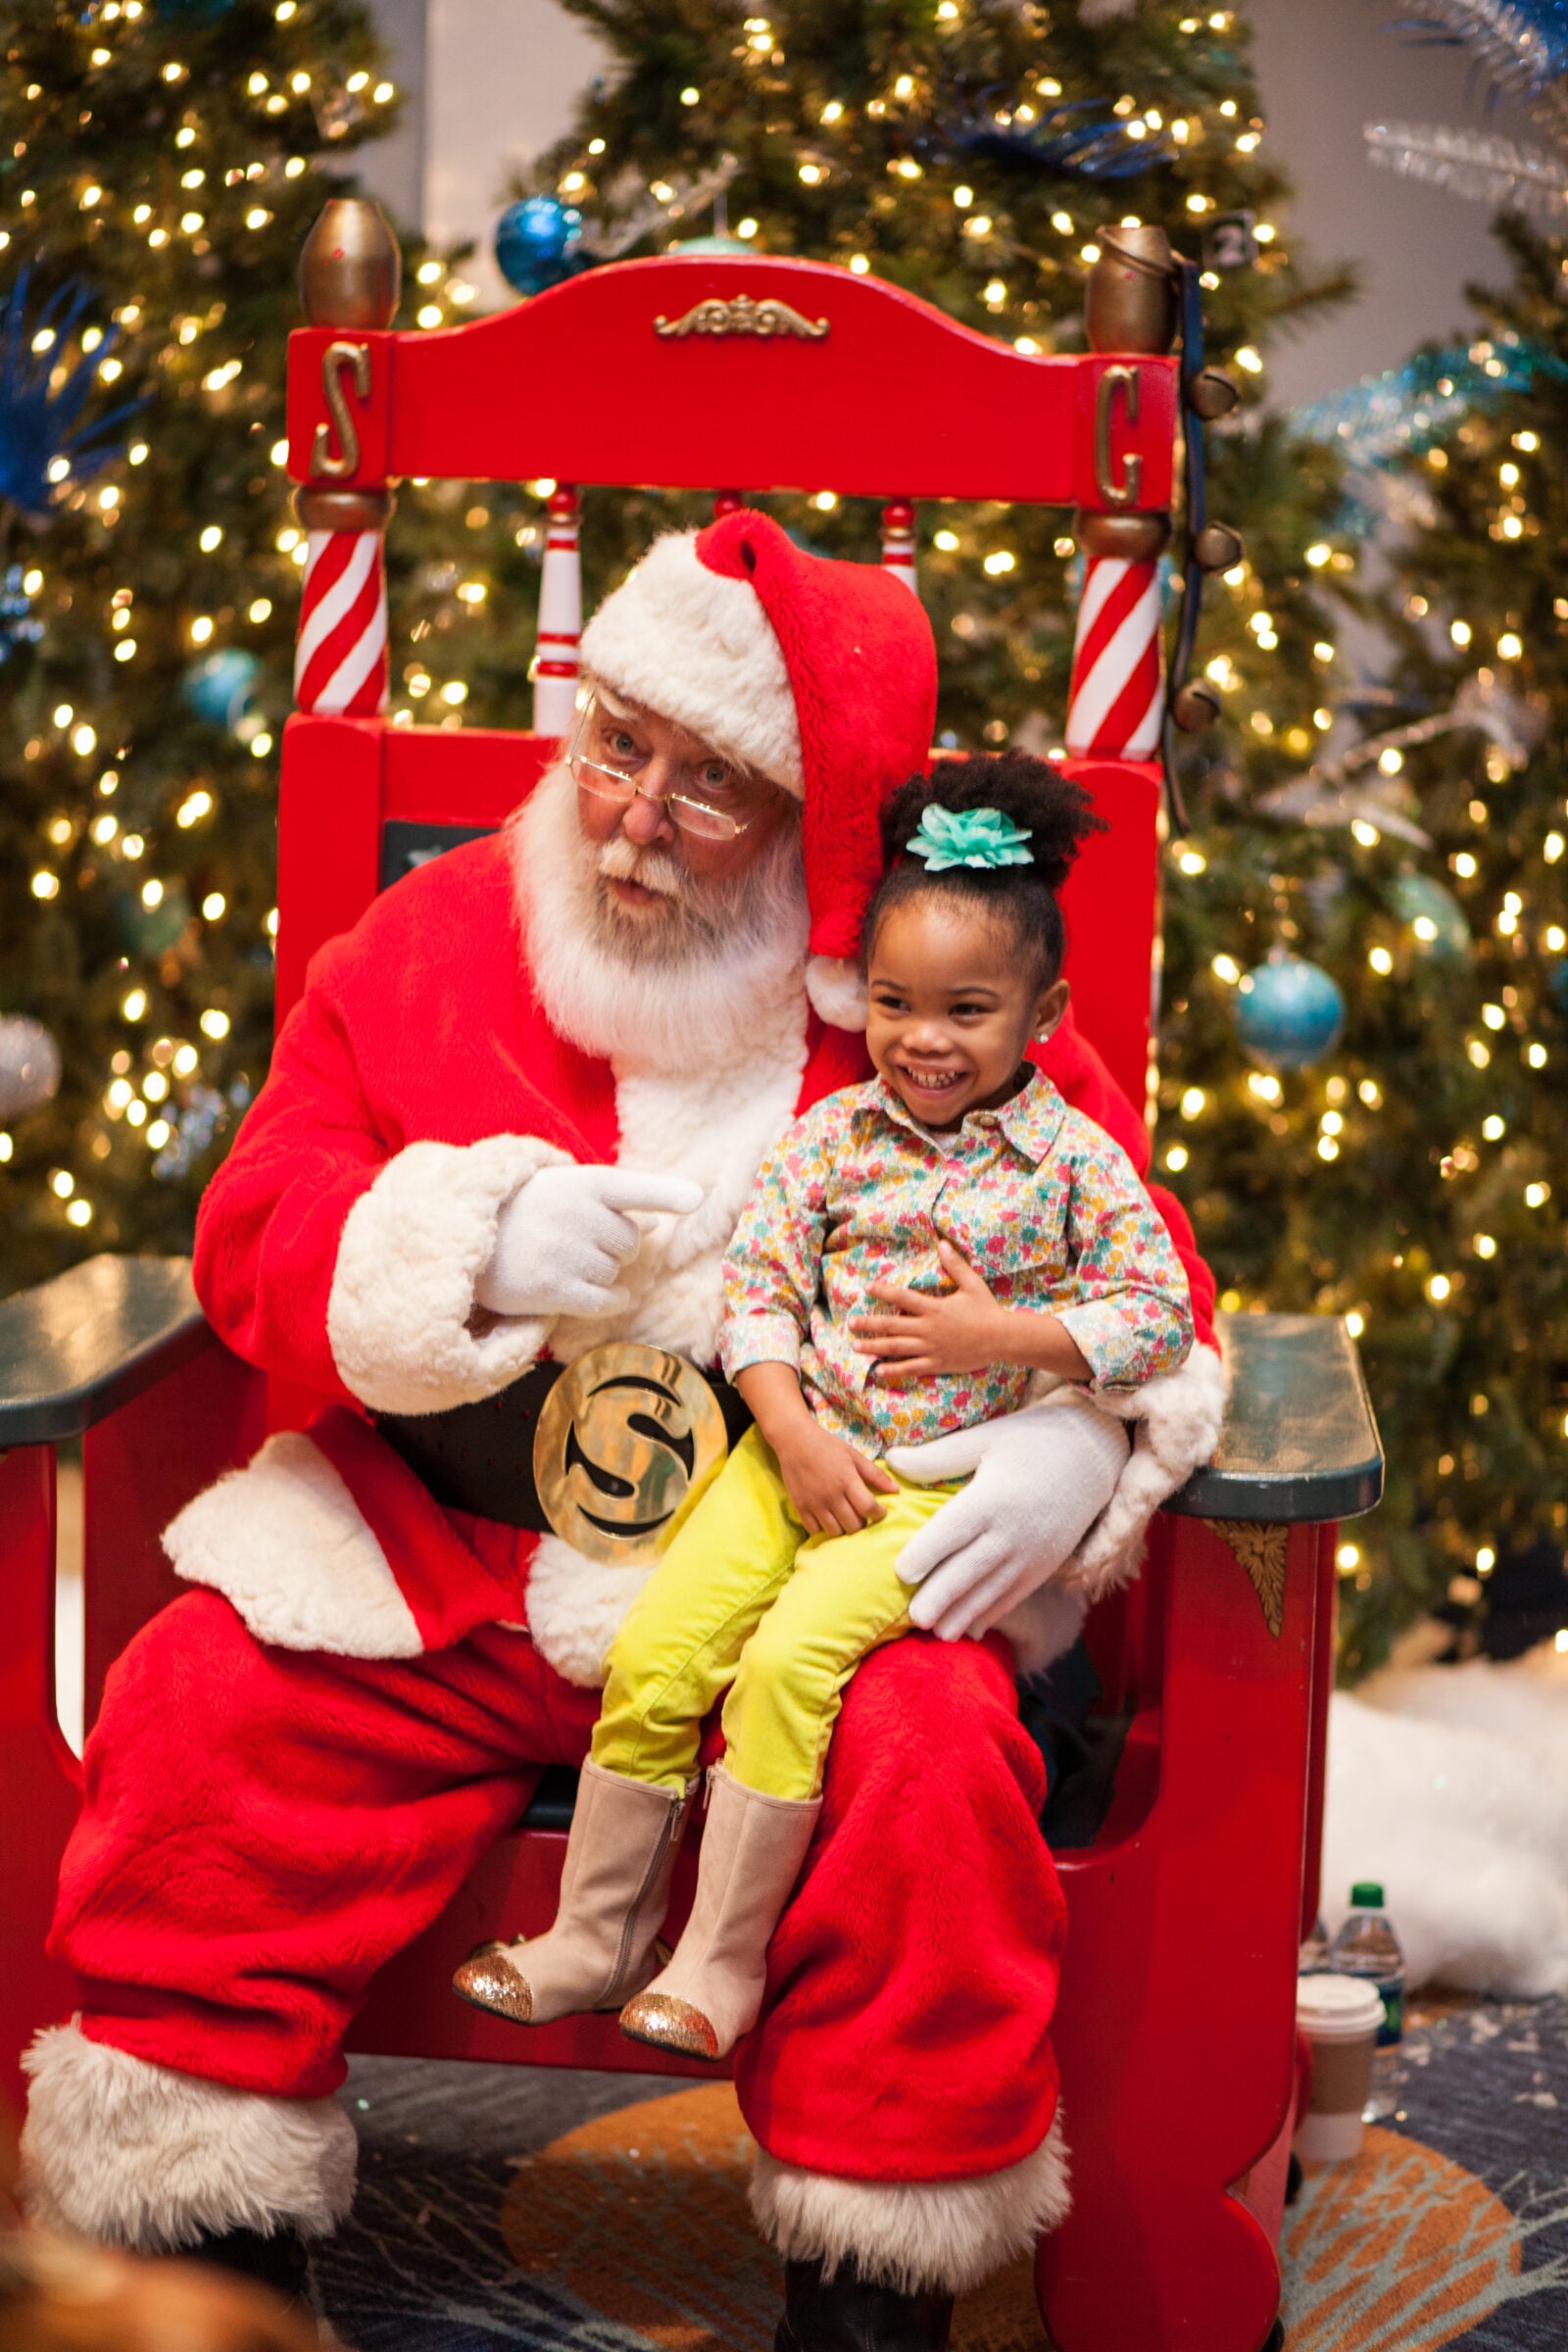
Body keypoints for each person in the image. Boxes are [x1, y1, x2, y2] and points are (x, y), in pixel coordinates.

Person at [20, 512, 1226, 2351]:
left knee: (928, 1756)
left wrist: (1076, 1446)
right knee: (206, 1707)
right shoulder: (434, 941)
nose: (634, 818)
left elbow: (1157, 1284)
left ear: (816, 828)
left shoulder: (924, 1015)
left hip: (805, 1581)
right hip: (451, 1565)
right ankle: (197, 2274)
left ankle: (871, 2295)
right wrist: (461, 1241)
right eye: (614, 748)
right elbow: (254, 1228)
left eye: (712, 785)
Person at [456, 756, 1193, 2064]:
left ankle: (720, 1958)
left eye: (967, 1010)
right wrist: (787, 1433)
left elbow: (1158, 1318)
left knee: (791, 1671)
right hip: (791, 1459)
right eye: (897, 1003)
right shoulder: (832, 1140)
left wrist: (1011, 1336)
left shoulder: (1076, 1163)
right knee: (664, 1648)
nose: (922, 1038)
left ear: (1042, 1010)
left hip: (930, 1489)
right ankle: (597, 1935)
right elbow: (758, 1303)